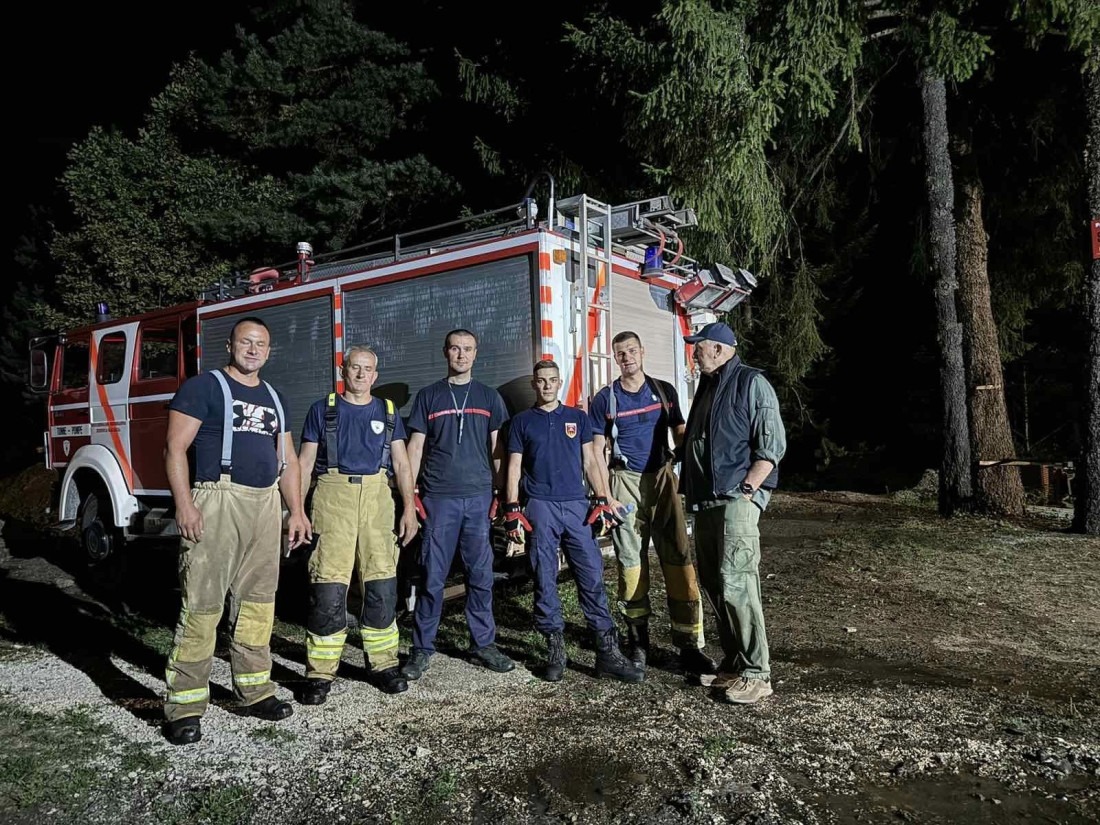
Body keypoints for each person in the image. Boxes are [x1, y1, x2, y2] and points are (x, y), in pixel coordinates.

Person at [163, 316, 311, 745]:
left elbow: (289, 462)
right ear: (230, 345)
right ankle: (184, 706)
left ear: (269, 351)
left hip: (265, 504)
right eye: (245, 342)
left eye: (260, 344)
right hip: (217, 499)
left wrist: (295, 511)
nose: (252, 349)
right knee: (203, 606)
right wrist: (185, 504)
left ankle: (255, 691)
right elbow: (175, 448)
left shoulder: (276, 398)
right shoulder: (203, 387)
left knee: (258, 605)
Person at [504, 359, 643, 683]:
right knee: (544, 576)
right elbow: (513, 466)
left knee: (591, 574)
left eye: (553, 380)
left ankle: (607, 653)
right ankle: (555, 651)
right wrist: (512, 507)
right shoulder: (522, 422)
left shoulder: (577, 418)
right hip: (540, 506)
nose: (547, 385)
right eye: (541, 380)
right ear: (534, 385)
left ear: (560, 382)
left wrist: (603, 498)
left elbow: (592, 461)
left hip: (577, 505)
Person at [296, 346, 419, 702]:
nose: (362, 375)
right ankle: (319, 673)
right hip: (333, 499)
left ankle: (382, 665)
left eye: (368, 369)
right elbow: (304, 464)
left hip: (378, 498)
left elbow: (402, 463)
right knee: (328, 587)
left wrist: (408, 508)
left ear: (375, 375)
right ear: (343, 370)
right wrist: (296, 511)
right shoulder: (322, 410)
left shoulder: (389, 412)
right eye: (355, 368)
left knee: (381, 583)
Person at [589, 331, 714, 676]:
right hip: (624, 484)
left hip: (662, 478)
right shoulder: (606, 399)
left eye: (631, 350)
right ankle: (638, 643)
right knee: (631, 564)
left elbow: (681, 434)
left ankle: (690, 647)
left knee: (678, 557)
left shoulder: (663, 391)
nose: (627, 357)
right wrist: (605, 496)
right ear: (614, 359)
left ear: (642, 352)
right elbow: (596, 452)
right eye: (620, 353)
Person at [679, 322, 786, 704]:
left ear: (720, 349)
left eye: (699, 347)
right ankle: (736, 664)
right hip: (707, 501)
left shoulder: (750, 383)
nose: (694, 352)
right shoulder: (709, 386)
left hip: (735, 499)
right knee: (714, 582)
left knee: (737, 581)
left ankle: (759, 672)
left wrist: (747, 490)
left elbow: (771, 446)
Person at [401, 329, 515, 680]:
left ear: (476, 354)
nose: (461, 355)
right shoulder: (429, 396)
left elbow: (498, 450)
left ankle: (483, 644)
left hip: (478, 497)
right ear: (445, 352)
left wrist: (502, 495)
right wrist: (409, 498)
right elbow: (415, 449)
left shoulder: (489, 397)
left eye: (467, 349)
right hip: (439, 498)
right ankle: (422, 648)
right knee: (433, 576)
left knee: (480, 575)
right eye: (455, 348)